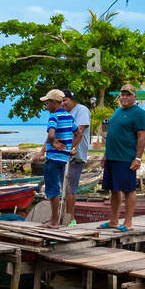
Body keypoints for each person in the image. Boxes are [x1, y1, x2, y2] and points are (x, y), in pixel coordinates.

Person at [99, 84, 145, 232]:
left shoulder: (139, 113)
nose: (124, 97)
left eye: (128, 94)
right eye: (122, 94)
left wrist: (138, 158)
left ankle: (128, 223)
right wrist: (105, 155)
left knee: (129, 190)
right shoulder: (117, 111)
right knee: (113, 190)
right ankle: (114, 221)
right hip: (112, 157)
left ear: (134, 96)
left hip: (126, 158)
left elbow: (142, 137)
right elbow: (112, 134)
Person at [31, 88, 74, 228]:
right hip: (63, 159)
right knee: (59, 187)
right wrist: (70, 148)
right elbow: (78, 133)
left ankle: (54, 221)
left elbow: (50, 134)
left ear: (55, 103)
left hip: (53, 158)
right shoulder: (69, 116)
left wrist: (54, 142)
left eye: (48, 102)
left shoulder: (53, 117)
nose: (46, 105)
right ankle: (54, 219)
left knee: (52, 189)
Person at [61, 89, 90, 227]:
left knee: (70, 188)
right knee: (62, 187)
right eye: (60, 101)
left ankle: (71, 219)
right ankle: (62, 217)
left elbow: (80, 130)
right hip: (62, 156)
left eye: (64, 100)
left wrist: (69, 150)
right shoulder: (62, 113)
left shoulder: (81, 110)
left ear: (72, 99)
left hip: (75, 156)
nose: (62, 103)